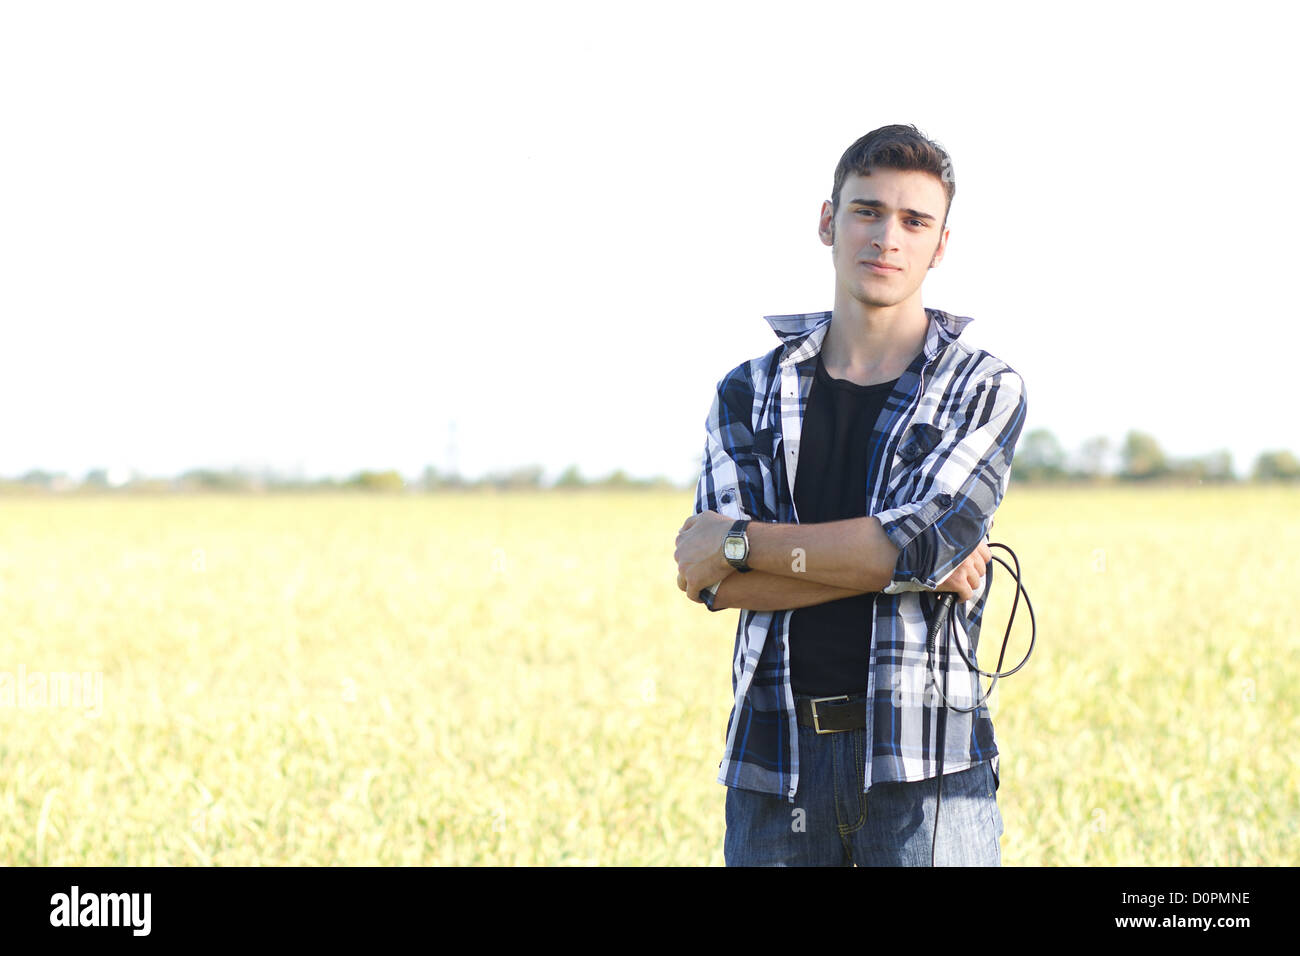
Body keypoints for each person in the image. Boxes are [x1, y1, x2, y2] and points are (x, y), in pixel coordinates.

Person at [673, 124, 1027, 866]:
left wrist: (741, 543)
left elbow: (902, 547)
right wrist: (904, 563)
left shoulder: (982, 387)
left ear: (940, 245)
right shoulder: (749, 391)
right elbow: (714, 585)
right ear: (828, 222)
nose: (887, 237)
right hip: (775, 765)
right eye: (866, 211)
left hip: (929, 772)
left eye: (914, 220)